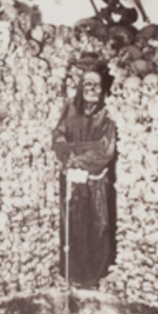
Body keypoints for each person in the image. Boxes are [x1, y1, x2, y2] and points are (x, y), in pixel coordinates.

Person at [51, 60, 118, 287]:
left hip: (95, 181)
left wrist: (78, 161)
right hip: (71, 179)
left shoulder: (108, 114)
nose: (91, 89)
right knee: (72, 224)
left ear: (103, 89)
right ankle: (73, 274)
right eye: (87, 84)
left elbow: (106, 149)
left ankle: (95, 276)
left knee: (98, 226)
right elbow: (58, 136)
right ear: (81, 86)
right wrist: (69, 159)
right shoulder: (69, 108)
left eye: (96, 85)